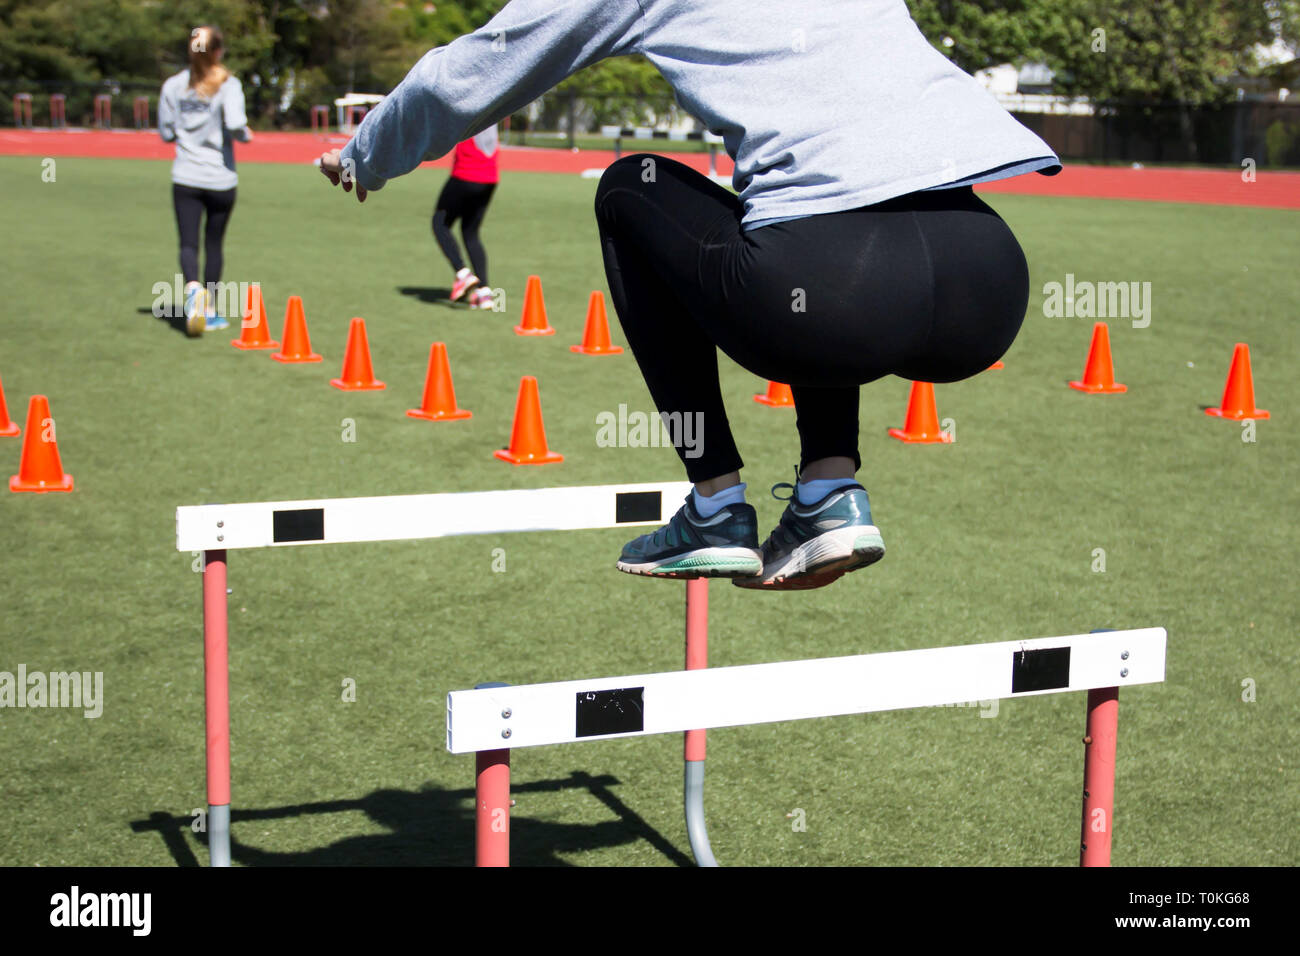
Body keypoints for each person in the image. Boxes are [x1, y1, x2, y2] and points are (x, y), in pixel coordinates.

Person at [317, 0, 1061, 589]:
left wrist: (368, 150)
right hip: (987, 279)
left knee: (630, 187)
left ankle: (714, 504)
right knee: (795, 210)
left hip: (838, 291)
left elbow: (483, 65)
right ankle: (828, 491)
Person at [159, 25, 252, 337]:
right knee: (214, 244)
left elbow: (166, 132)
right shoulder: (229, 84)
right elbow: (237, 123)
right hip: (220, 178)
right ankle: (209, 309)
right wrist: (246, 135)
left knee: (188, 242)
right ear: (218, 52)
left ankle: (193, 288)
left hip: (185, 175)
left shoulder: (173, 85)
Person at [434, 126, 500, 309]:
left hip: (467, 171)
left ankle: (463, 274)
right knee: (470, 232)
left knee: (439, 223)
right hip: (489, 177)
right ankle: (484, 293)